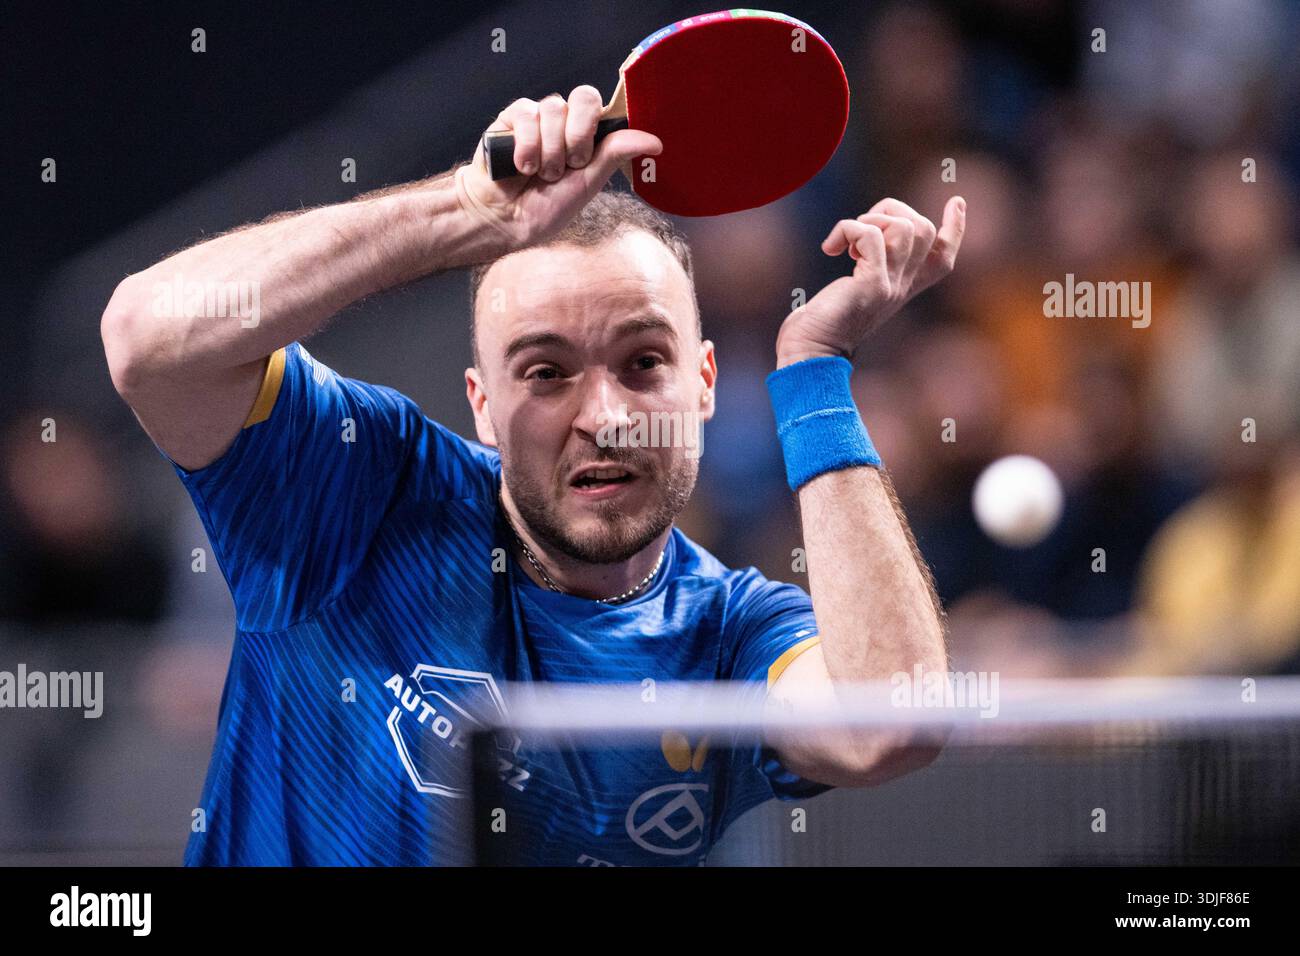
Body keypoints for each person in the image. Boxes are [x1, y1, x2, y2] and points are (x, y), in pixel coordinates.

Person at [99, 88, 965, 865]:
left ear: (703, 383)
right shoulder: (360, 486)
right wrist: (465, 211)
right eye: (546, 373)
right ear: (481, 402)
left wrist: (814, 367)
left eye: (644, 360)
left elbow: (891, 723)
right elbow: (146, 338)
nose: (607, 417)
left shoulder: (731, 638)